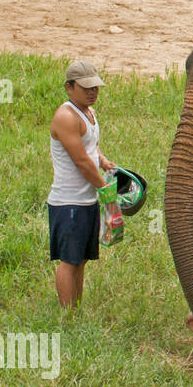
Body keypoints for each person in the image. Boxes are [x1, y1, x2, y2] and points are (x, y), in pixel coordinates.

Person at [48, 61, 120, 308]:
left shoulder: (89, 112)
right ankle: (68, 316)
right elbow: (81, 161)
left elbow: (90, 146)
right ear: (69, 87)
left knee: (81, 259)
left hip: (86, 199)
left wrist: (102, 159)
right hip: (69, 201)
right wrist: (107, 191)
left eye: (96, 87)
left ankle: (75, 309)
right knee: (69, 260)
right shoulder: (65, 117)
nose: (93, 92)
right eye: (86, 88)